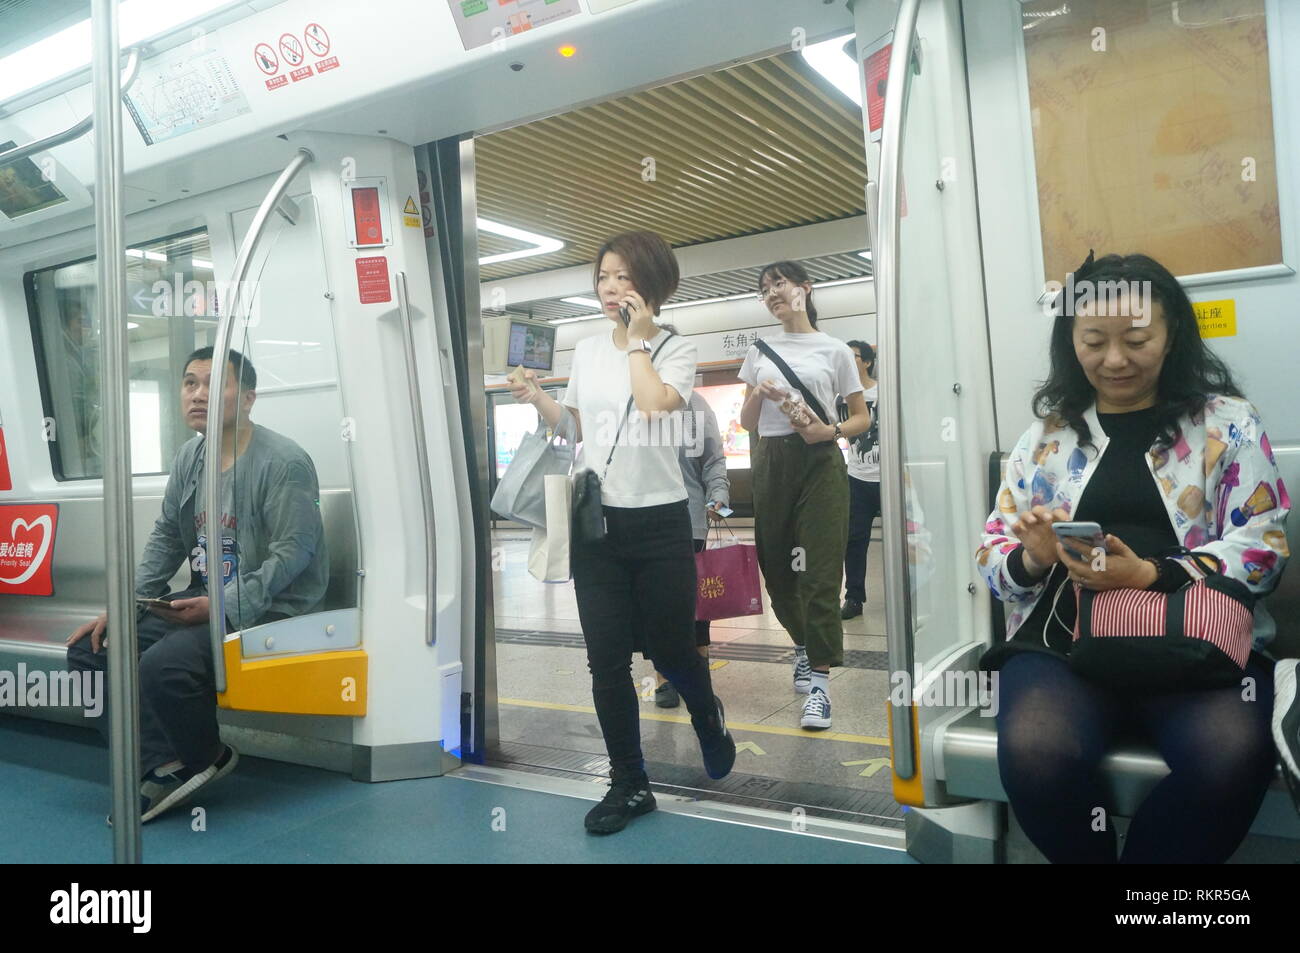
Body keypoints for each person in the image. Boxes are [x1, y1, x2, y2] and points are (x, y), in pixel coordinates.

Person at [976, 252, 1289, 863]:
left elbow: (1264, 549)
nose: (1114, 360)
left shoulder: (1227, 424)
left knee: (1229, 757)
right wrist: (1033, 560)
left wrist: (1150, 575)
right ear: (1072, 342)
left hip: (1195, 638)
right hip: (1065, 641)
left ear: (1172, 337)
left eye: (1137, 339)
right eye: (1094, 341)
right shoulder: (1047, 436)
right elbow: (994, 550)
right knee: (1037, 749)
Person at [510, 231, 735, 834]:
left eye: (624, 278)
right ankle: (629, 783)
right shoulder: (584, 350)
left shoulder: (676, 349)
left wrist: (638, 343)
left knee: (671, 649)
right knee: (606, 660)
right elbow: (579, 427)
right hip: (597, 526)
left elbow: (657, 404)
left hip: (662, 522)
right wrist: (540, 400)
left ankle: (706, 716)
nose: (611, 288)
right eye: (604, 277)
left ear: (653, 284)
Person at [67, 347, 329, 825]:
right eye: (190, 383)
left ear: (247, 398)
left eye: (214, 384)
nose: (198, 395)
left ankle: (204, 755)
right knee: (91, 649)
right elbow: (167, 536)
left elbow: (292, 555)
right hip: (201, 605)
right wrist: (126, 607)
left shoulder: (284, 462)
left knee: (165, 663)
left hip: (268, 610)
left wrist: (224, 605)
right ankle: (161, 763)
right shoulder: (190, 457)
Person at [739, 260, 872, 730]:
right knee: (776, 569)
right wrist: (759, 392)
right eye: (764, 287)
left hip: (820, 462)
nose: (772, 292)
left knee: (819, 572)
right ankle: (801, 645)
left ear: (805, 289)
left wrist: (829, 430)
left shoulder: (835, 350)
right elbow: (748, 422)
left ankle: (820, 685)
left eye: (779, 283)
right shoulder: (758, 349)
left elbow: (862, 418)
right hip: (771, 462)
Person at [655, 389, 730, 708]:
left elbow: (713, 459)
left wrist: (719, 496)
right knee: (658, 607)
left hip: (691, 518)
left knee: (699, 608)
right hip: (648, 520)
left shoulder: (696, 406)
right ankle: (664, 680)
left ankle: (700, 677)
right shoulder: (634, 398)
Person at [838, 340, 880, 620]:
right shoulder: (841, 397)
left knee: (907, 538)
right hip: (856, 477)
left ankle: (914, 593)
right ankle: (854, 597)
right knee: (854, 539)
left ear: (866, 361)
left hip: (889, 477)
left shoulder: (883, 391)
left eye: (852, 356)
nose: (846, 361)